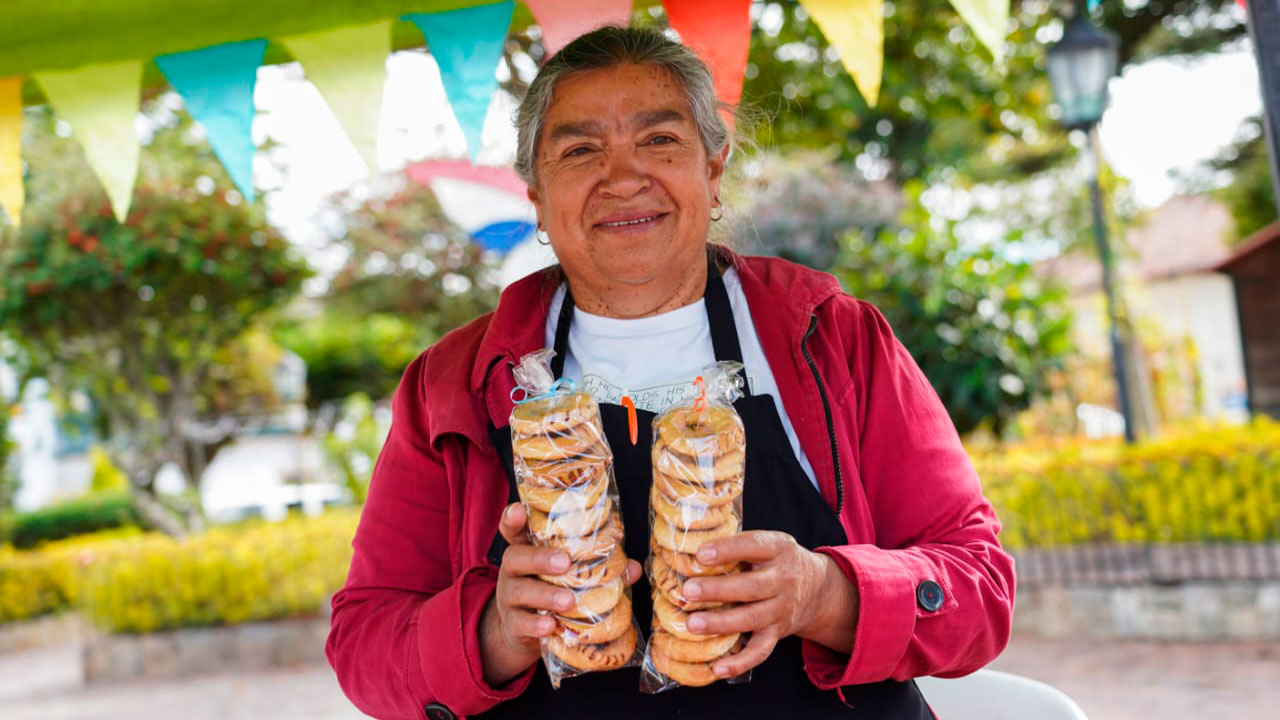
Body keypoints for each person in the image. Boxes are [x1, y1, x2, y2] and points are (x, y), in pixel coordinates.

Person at [326, 25, 1015, 720]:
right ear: (535, 196)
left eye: (659, 141)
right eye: (580, 149)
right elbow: (363, 643)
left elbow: (980, 590)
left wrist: (823, 591)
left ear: (712, 171)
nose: (623, 178)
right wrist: (494, 631)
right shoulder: (452, 384)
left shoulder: (833, 337)